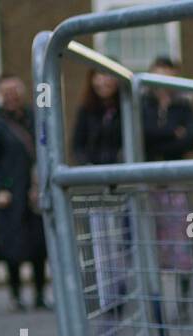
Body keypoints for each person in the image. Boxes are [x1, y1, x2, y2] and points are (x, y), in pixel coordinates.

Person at [0, 74, 48, 311]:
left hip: (35, 192)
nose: (12, 95)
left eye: (15, 90)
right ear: (0, 94)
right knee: (13, 248)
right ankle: (15, 294)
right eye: (6, 91)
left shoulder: (34, 118)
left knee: (39, 246)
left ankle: (40, 294)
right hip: (11, 194)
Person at [142, 56, 193, 321]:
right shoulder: (142, 104)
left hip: (177, 182)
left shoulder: (184, 106)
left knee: (184, 243)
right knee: (151, 244)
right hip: (149, 184)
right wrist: (171, 134)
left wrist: (163, 136)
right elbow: (144, 134)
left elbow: (190, 139)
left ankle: (184, 302)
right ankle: (155, 303)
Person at [71, 70, 127, 316]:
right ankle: (108, 298)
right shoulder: (87, 111)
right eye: (99, 76)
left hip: (122, 184)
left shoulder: (127, 109)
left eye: (109, 76)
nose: (104, 81)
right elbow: (77, 145)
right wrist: (89, 169)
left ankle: (124, 288)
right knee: (101, 242)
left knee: (124, 241)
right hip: (96, 185)